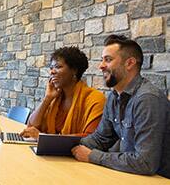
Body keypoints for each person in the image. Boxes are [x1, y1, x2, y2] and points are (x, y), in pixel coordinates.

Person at [72, 35, 170, 178]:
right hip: (128, 176)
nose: (101, 66)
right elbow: (100, 139)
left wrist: (93, 156)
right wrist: (53, 144)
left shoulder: (147, 99)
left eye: (108, 59)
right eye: (102, 60)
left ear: (129, 63)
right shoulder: (114, 97)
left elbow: (145, 163)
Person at [20, 46, 105, 139]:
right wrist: (47, 98)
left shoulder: (95, 99)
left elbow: (90, 138)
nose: (52, 72)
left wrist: (44, 138)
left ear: (74, 70)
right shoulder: (55, 98)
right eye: (51, 68)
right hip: (48, 151)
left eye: (58, 67)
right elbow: (31, 127)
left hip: (75, 153)